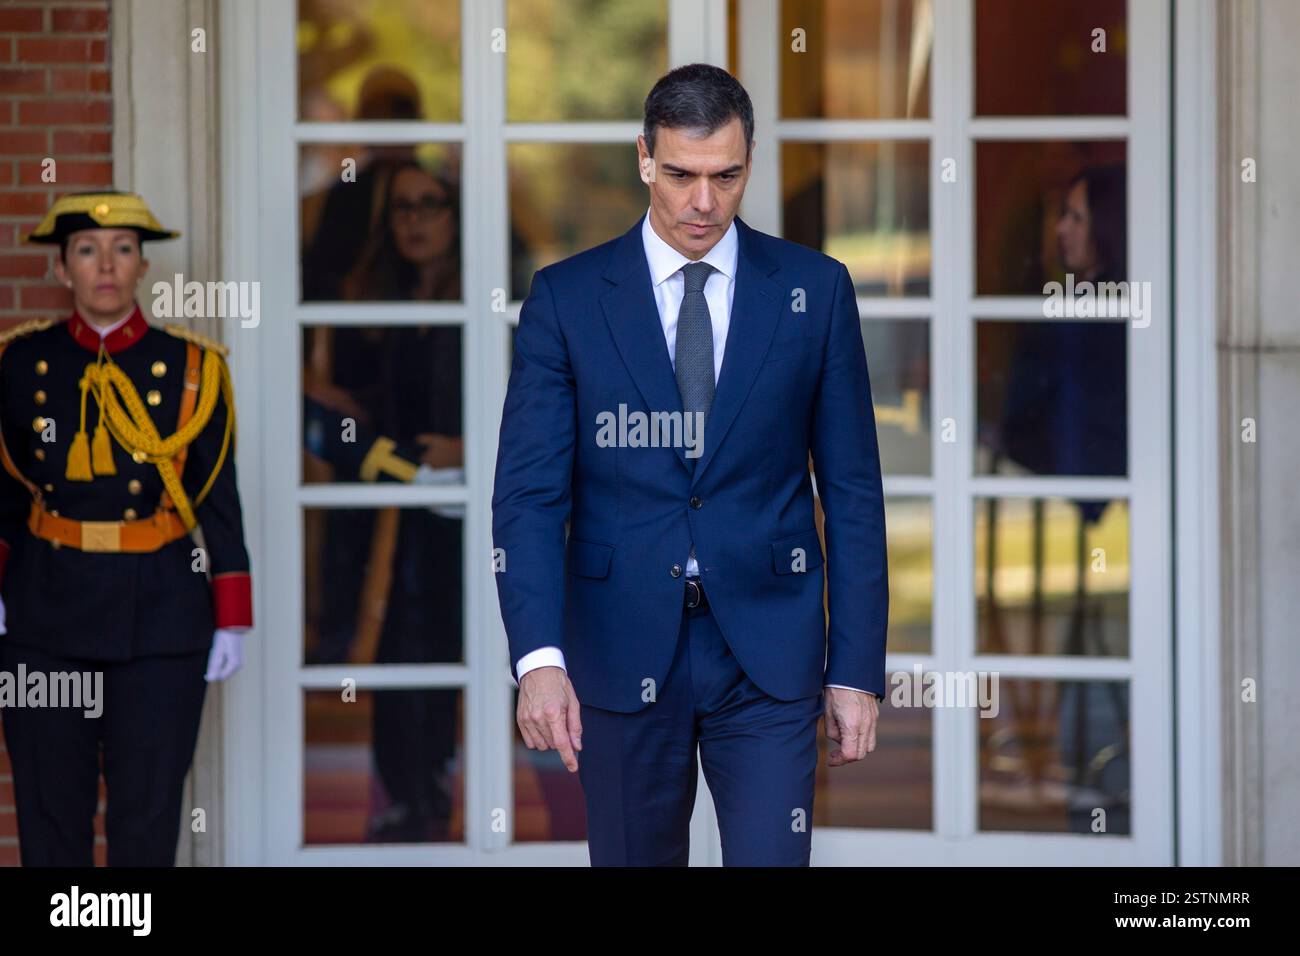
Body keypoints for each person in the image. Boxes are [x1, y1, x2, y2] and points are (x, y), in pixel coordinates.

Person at [492, 64, 888, 866]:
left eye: (725, 175)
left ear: (750, 163)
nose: (703, 201)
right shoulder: (567, 300)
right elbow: (529, 497)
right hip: (618, 648)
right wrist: (538, 660)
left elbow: (851, 493)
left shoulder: (815, 290)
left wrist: (856, 669)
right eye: (680, 174)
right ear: (644, 157)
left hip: (770, 656)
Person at [0, 191, 253, 866]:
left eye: (122, 250)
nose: (105, 265)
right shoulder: (20, 365)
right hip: (44, 614)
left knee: (146, 818)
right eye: (86, 250)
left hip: (161, 613)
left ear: (143, 266)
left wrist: (232, 613)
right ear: (61, 270)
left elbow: (217, 498)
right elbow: (2, 493)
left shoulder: (196, 367)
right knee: (51, 815)